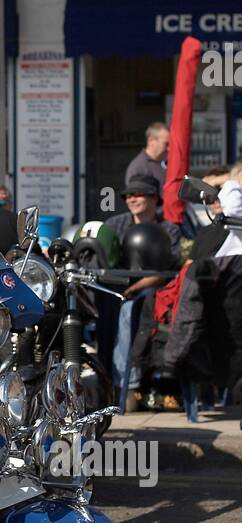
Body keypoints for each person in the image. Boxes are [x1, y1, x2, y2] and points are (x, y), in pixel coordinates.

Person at [104, 174, 181, 406]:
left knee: (129, 312)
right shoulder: (114, 225)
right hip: (113, 289)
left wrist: (135, 287)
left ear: (154, 198)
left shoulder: (169, 230)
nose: (132, 199)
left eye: (138, 194)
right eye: (128, 195)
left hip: (152, 293)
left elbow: (170, 270)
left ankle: (127, 386)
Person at [125, 122, 170, 202]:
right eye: (166, 144)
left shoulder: (166, 162)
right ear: (151, 140)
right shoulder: (138, 168)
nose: (169, 148)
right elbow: (135, 201)